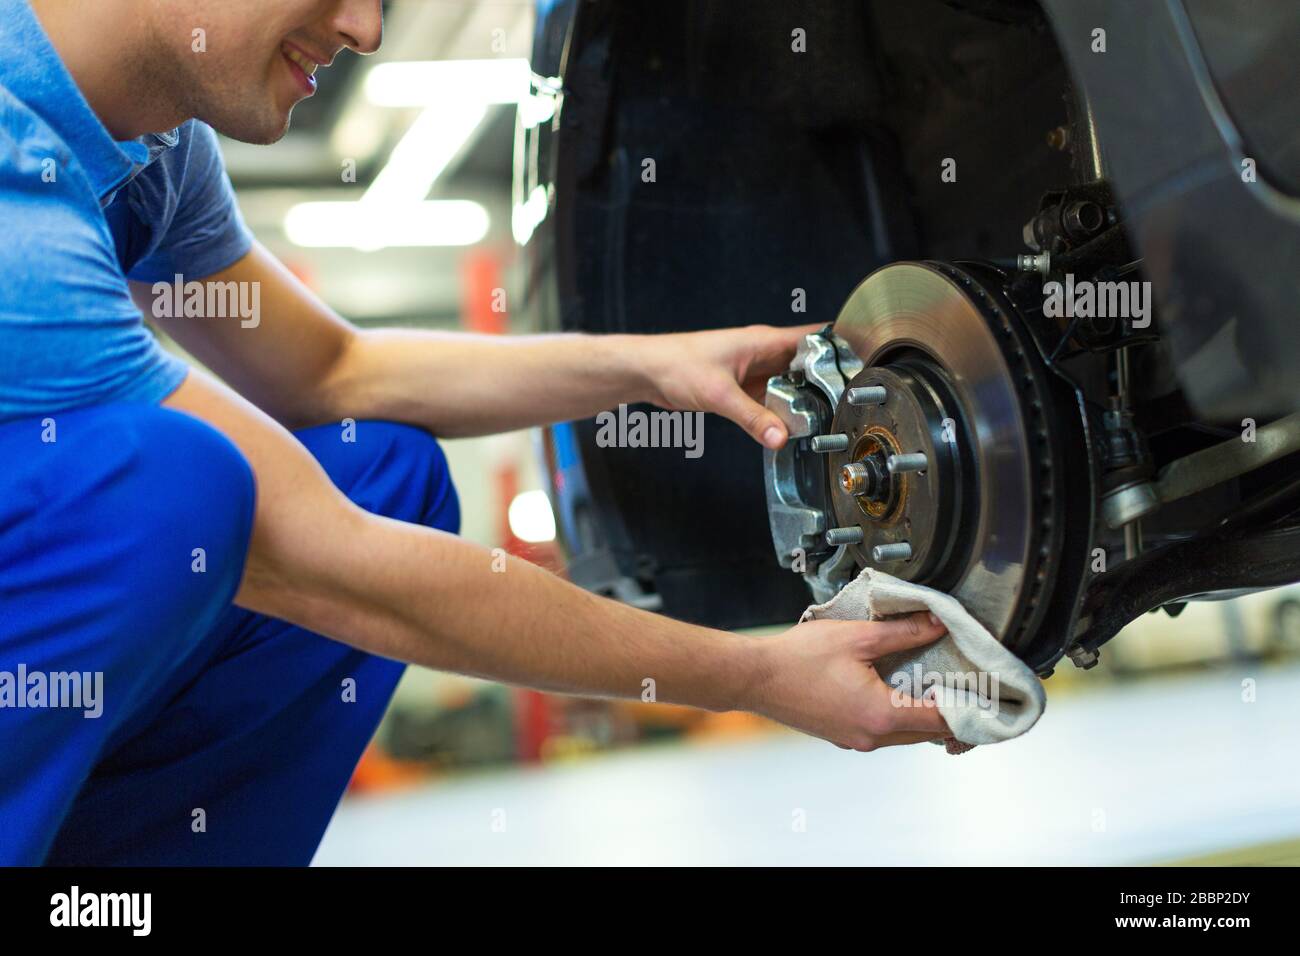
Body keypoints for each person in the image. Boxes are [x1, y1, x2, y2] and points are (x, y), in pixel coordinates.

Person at [0, 0, 950, 865]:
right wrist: (758, 677)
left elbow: (333, 372)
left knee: (383, 469)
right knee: (177, 487)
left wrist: (650, 366)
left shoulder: (154, 152)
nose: (366, 30)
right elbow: (321, 561)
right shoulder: (17, 195)